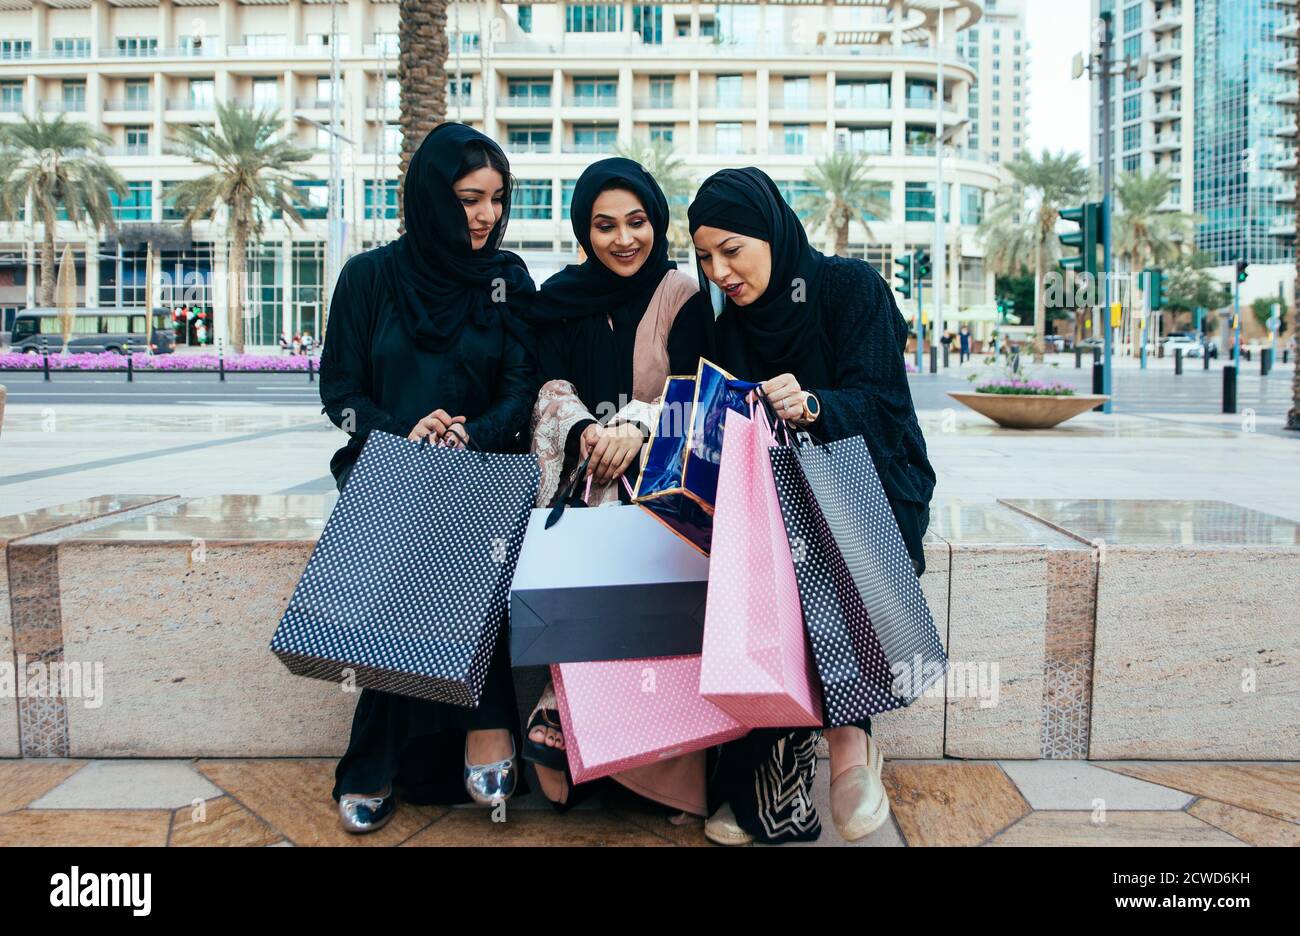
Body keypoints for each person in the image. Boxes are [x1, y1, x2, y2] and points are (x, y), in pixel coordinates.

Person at [688, 167, 936, 846]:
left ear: (771, 231)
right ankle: (784, 769)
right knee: (767, 550)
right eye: (705, 257)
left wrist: (815, 405)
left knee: (808, 550)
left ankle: (848, 747)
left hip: (867, 485)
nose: (720, 271)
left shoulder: (848, 289)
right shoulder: (719, 324)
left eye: (732, 249)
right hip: (762, 502)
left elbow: (886, 406)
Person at [317, 123, 538, 834]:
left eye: (498, 199)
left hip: (484, 463)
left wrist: (471, 433)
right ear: (432, 198)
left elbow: (521, 385)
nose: (487, 216)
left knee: (461, 528)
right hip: (386, 460)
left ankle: (371, 761)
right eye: (471, 199)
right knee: (419, 524)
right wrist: (402, 435)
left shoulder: (508, 280)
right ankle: (490, 719)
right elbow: (340, 392)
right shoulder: (369, 278)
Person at [522, 156, 714, 815]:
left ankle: (640, 747)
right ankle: (571, 720)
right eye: (605, 226)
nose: (623, 238)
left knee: (640, 537)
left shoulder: (682, 297)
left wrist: (638, 422)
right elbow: (546, 389)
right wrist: (584, 434)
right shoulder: (558, 299)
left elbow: (696, 394)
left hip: (663, 481)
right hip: (584, 477)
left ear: (656, 224)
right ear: (585, 230)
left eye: (636, 222)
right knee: (598, 510)